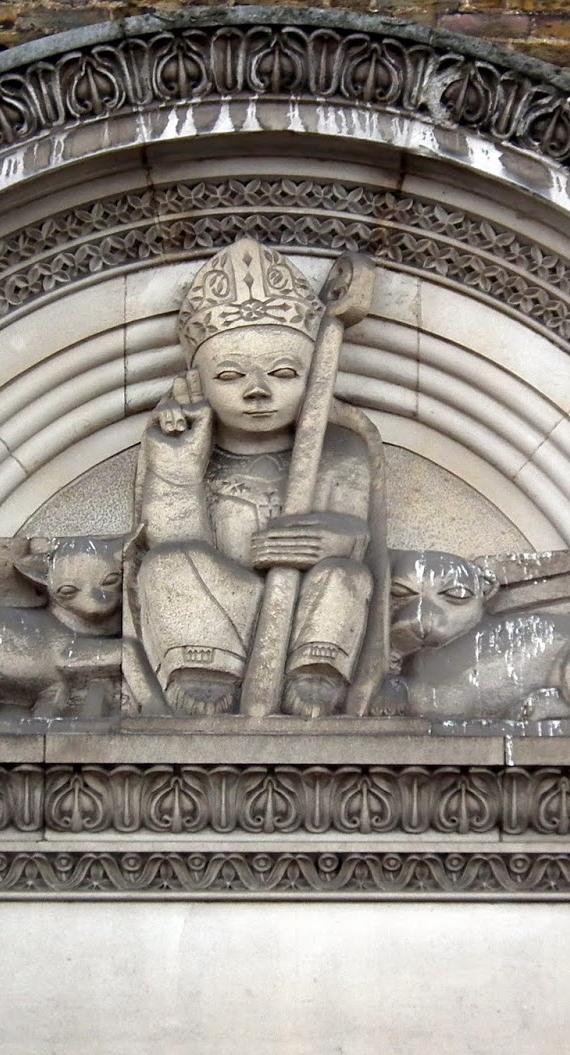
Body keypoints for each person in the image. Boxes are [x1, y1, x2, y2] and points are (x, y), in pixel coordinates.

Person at [130, 238, 383, 716]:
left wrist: (330, 540)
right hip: (221, 612)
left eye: (284, 372)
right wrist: (179, 470)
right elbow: (173, 540)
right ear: (197, 382)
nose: (258, 392)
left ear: (312, 380)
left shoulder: (341, 450)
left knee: (345, 576)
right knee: (166, 565)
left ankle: (315, 671)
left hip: (302, 612)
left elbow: (358, 536)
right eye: (230, 376)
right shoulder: (184, 452)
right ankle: (205, 669)